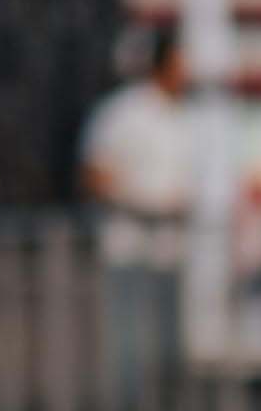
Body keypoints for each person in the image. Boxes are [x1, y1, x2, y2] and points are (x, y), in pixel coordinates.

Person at [80, 27, 195, 255]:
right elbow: (93, 174)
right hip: (128, 245)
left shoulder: (187, 118)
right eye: (180, 65)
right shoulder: (123, 112)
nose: (186, 73)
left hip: (170, 248)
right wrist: (141, 203)